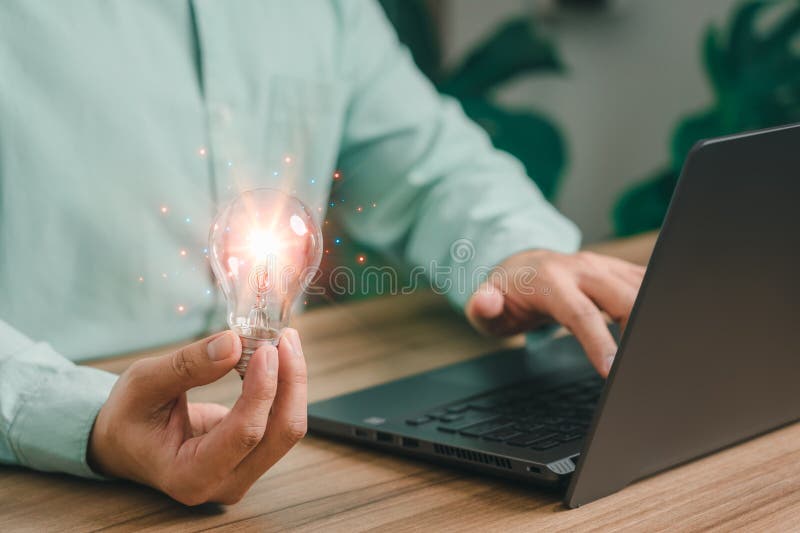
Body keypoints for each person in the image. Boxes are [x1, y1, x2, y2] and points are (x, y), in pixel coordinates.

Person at [0, 1, 644, 506]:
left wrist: (516, 254)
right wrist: (84, 418)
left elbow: (430, 165)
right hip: (42, 476)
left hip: (294, 470)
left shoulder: (325, 8)